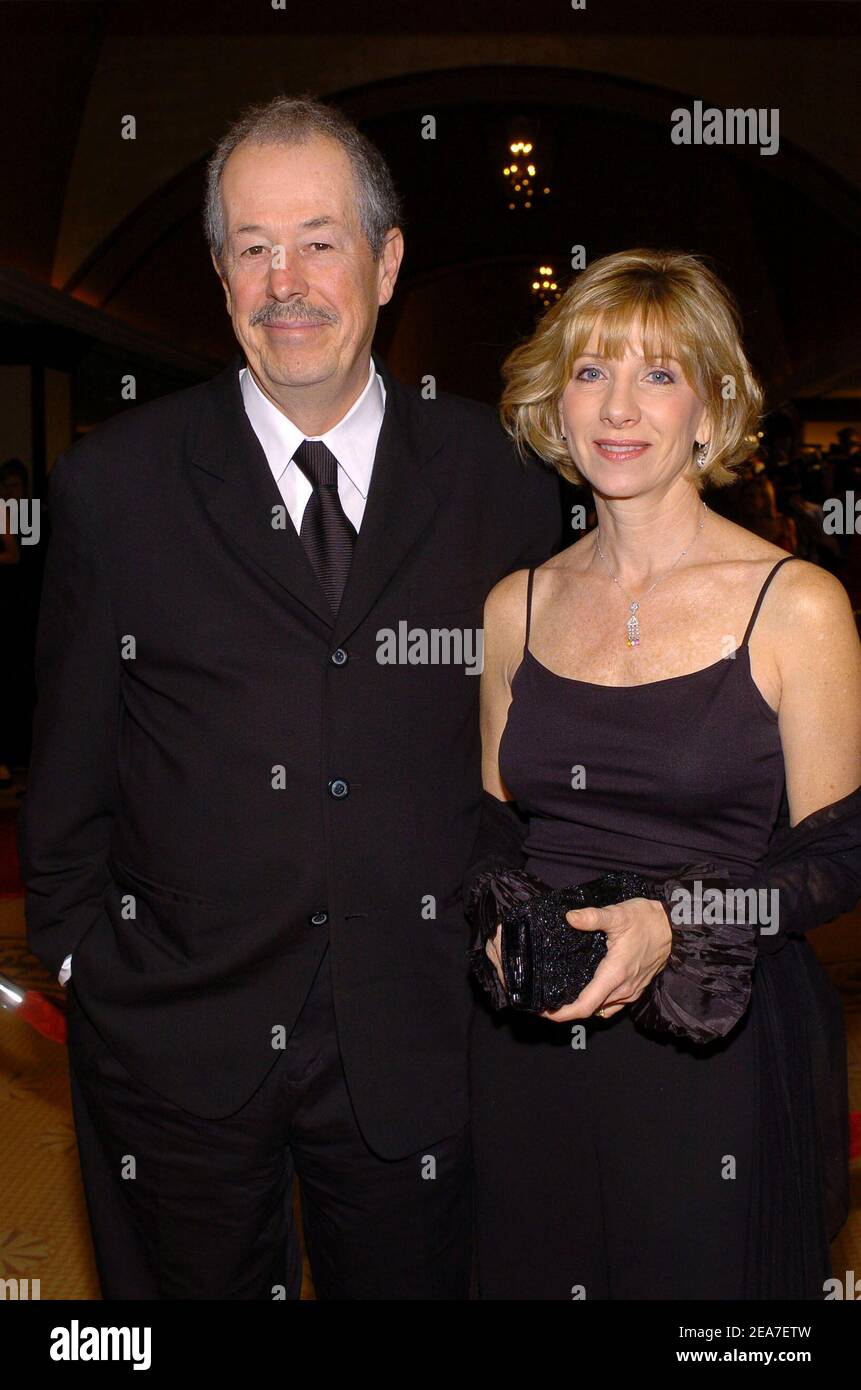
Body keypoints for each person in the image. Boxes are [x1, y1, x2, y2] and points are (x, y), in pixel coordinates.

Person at [18, 94, 560, 1300]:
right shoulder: (116, 486)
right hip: (176, 1043)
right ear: (219, 277)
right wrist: (86, 971)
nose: (287, 281)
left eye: (319, 239)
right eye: (253, 248)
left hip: (427, 1031)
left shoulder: (499, 480)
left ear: (387, 259)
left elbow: (533, 756)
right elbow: (65, 769)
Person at [469, 248, 861, 1299]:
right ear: (556, 404)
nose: (618, 405)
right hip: (538, 1040)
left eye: (657, 372)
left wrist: (672, 922)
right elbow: (494, 822)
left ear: (710, 406)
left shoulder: (796, 603)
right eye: (591, 371)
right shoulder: (517, 604)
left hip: (712, 1038)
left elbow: (836, 853)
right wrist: (503, 914)